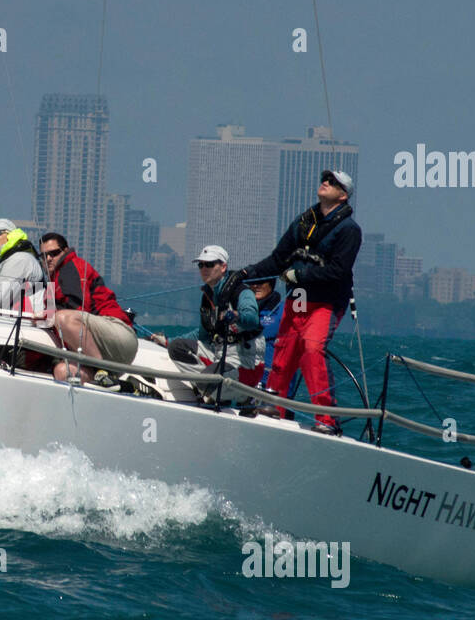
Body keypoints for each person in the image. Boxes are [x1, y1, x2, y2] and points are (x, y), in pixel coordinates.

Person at [229, 170, 361, 434]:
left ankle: (327, 420)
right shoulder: (303, 222)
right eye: (324, 179)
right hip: (299, 297)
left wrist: (299, 274)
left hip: (326, 301)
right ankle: (273, 406)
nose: (325, 182)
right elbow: (277, 259)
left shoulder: (350, 230)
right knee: (285, 348)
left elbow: (338, 271)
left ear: (343, 195)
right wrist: (244, 273)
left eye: (333, 182)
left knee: (312, 349)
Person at [150, 245, 261, 399]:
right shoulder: (207, 296)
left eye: (209, 264)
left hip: (244, 360)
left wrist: (236, 315)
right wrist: (168, 341)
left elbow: (253, 319)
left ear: (223, 267)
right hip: (218, 352)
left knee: (206, 380)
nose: (204, 269)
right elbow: (202, 334)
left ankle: (241, 395)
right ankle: (208, 390)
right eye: (201, 265)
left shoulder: (241, 291)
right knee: (177, 348)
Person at [39, 233, 138, 384]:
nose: (48, 259)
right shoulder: (53, 282)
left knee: (63, 318)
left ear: (65, 251)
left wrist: (44, 316)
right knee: (63, 372)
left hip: (118, 335)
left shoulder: (70, 267)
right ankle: (123, 385)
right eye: (44, 255)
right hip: (101, 348)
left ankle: (100, 370)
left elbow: (77, 309)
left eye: (54, 253)